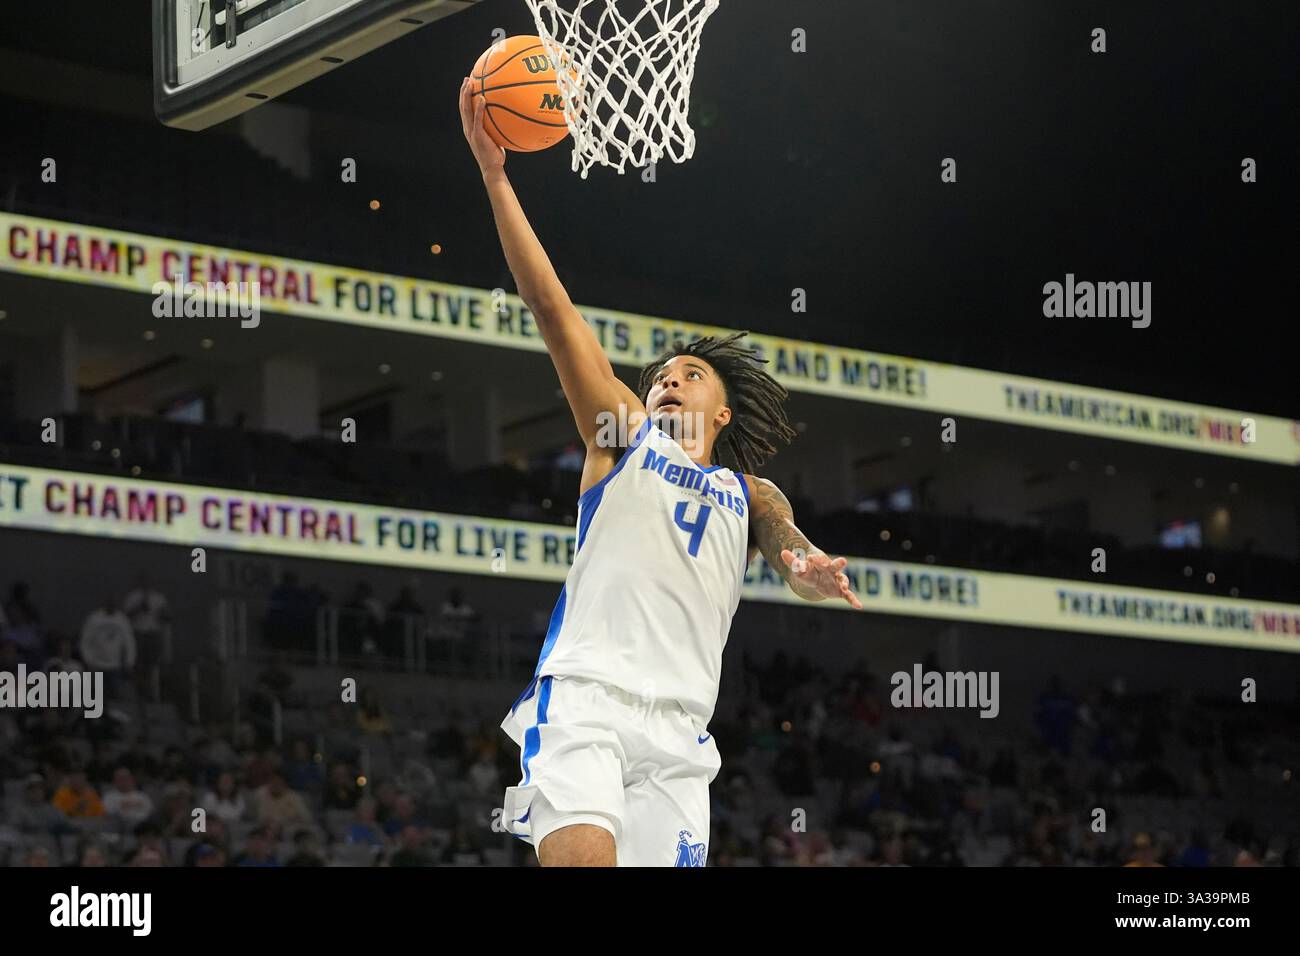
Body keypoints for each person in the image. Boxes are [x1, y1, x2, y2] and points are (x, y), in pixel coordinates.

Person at [460, 79, 862, 868]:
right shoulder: (623, 437)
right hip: (586, 704)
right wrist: (496, 176)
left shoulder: (751, 492)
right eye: (661, 376)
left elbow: (789, 547)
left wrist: (807, 568)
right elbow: (553, 311)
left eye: (690, 375)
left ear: (724, 414)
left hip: (680, 735)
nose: (668, 380)